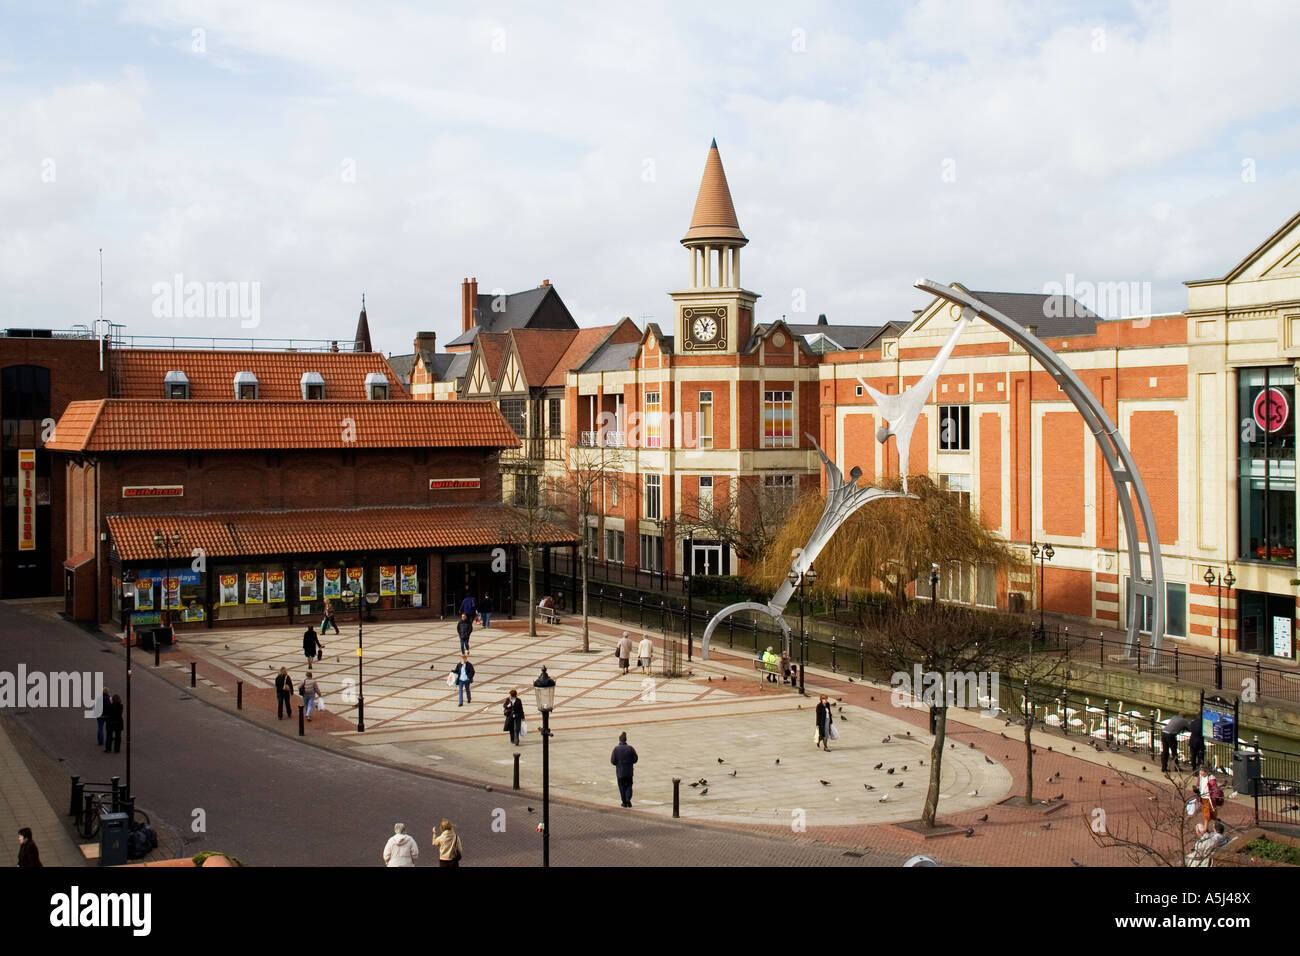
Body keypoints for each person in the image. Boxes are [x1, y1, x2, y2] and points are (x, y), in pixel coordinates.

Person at [610, 732, 638, 807]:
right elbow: (635, 759)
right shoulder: (630, 748)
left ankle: (624, 802)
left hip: (620, 772)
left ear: (619, 740)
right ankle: (628, 799)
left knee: (621, 786)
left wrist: (619, 764)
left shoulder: (616, 749)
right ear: (626, 740)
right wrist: (630, 763)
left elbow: (612, 761)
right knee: (629, 785)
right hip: (629, 771)